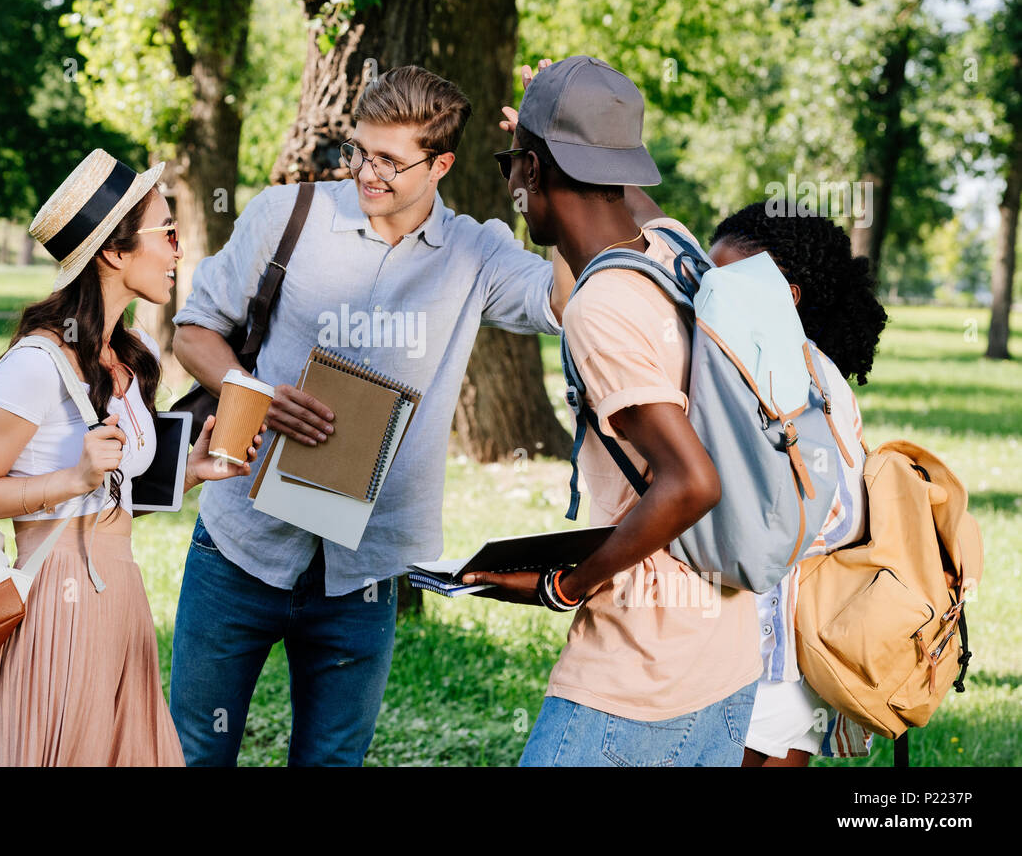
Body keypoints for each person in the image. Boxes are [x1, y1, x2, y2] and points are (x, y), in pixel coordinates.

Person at [169, 64, 572, 766]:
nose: (368, 172)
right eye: (360, 151)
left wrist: (553, 170)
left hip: (363, 575)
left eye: (390, 160)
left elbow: (566, 303)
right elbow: (194, 329)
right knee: (194, 751)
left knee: (330, 760)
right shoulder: (286, 215)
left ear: (441, 163)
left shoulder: (475, 254)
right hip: (240, 547)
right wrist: (255, 391)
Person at [464, 56, 762, 766]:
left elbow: (691, 481)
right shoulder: (680, 248)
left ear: (531, 171)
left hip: (638, 663)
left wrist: (565, 584)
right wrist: (561, 130)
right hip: (728, 649)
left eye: (515, 167)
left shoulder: (601, 309)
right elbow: (617, 206)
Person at [0, 149, 262, 767]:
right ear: (115, 252)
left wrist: (192, 471)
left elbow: (108, 503)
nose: (179, 250)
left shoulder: (133, 351)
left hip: (121, 598)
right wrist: (71, 477)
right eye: (167, 233)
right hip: (56, 610)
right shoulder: (36, 365)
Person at [707, 202, 888, 766]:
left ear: (787, 296)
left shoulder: (797, 373)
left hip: (774, 642)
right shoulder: (798, 365)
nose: (708, 296)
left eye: (726, 281)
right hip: (789, 644)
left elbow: (839, 508)